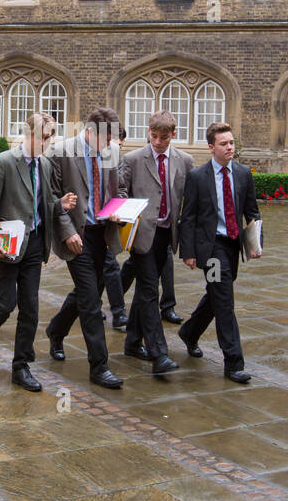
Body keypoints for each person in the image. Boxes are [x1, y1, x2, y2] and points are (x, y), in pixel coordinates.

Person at [0, 112, 78, 392]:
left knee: (30, 308)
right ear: (28, 133)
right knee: (5, 304)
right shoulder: (3, 162)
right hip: (8, 245)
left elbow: (44, 204)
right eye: (42, 137)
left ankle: (21, 366)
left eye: (49, 137)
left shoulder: (44, 165)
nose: (45, 142)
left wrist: (60, 204)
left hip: (35, 244)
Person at [44, 107, 125, 390]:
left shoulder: (110, 152)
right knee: (91, 301)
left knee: (87, 292)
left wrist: (119, 209)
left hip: (103, 233)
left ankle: (56, 330)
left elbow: (120, 189)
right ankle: (99, 366)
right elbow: (52, 196)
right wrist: (66, 233)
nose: (109, 146)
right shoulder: (61, 152)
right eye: (105, 140)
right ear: (90, 132)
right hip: (76, 235)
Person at [177, 121, 261, 383]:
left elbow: (252, 212)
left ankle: (189, 332)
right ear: (211, 147)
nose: (230, 148)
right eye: (224, 144)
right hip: (210, 248)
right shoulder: (197, 177)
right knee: (224, 300)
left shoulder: (243, 173)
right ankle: (234, 363)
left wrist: (255, 244)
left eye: (232, 143)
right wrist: (188, 252)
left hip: (232, 245)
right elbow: (187, 217)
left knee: (217, 294)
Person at [118, 110, 195, 374]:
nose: (158, 142)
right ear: (148, 132)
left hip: (166, 234)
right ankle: (158, 352)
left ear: (173, 135)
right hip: (141, 233)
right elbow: (121, 192)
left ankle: (131, 342)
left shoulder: (184, 161)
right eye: (154, 136)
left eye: (164, 137)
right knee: (151, 290)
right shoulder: (133, 159)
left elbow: (189, 201)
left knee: (143, 290)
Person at [101, 124, 129, 331]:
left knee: (108, 267)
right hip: (92, 225)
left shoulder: (118, 160)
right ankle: (117, 312)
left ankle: (117, 312)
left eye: (121, 142)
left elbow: (121, 188)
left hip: (111, 222)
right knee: (108, 268)